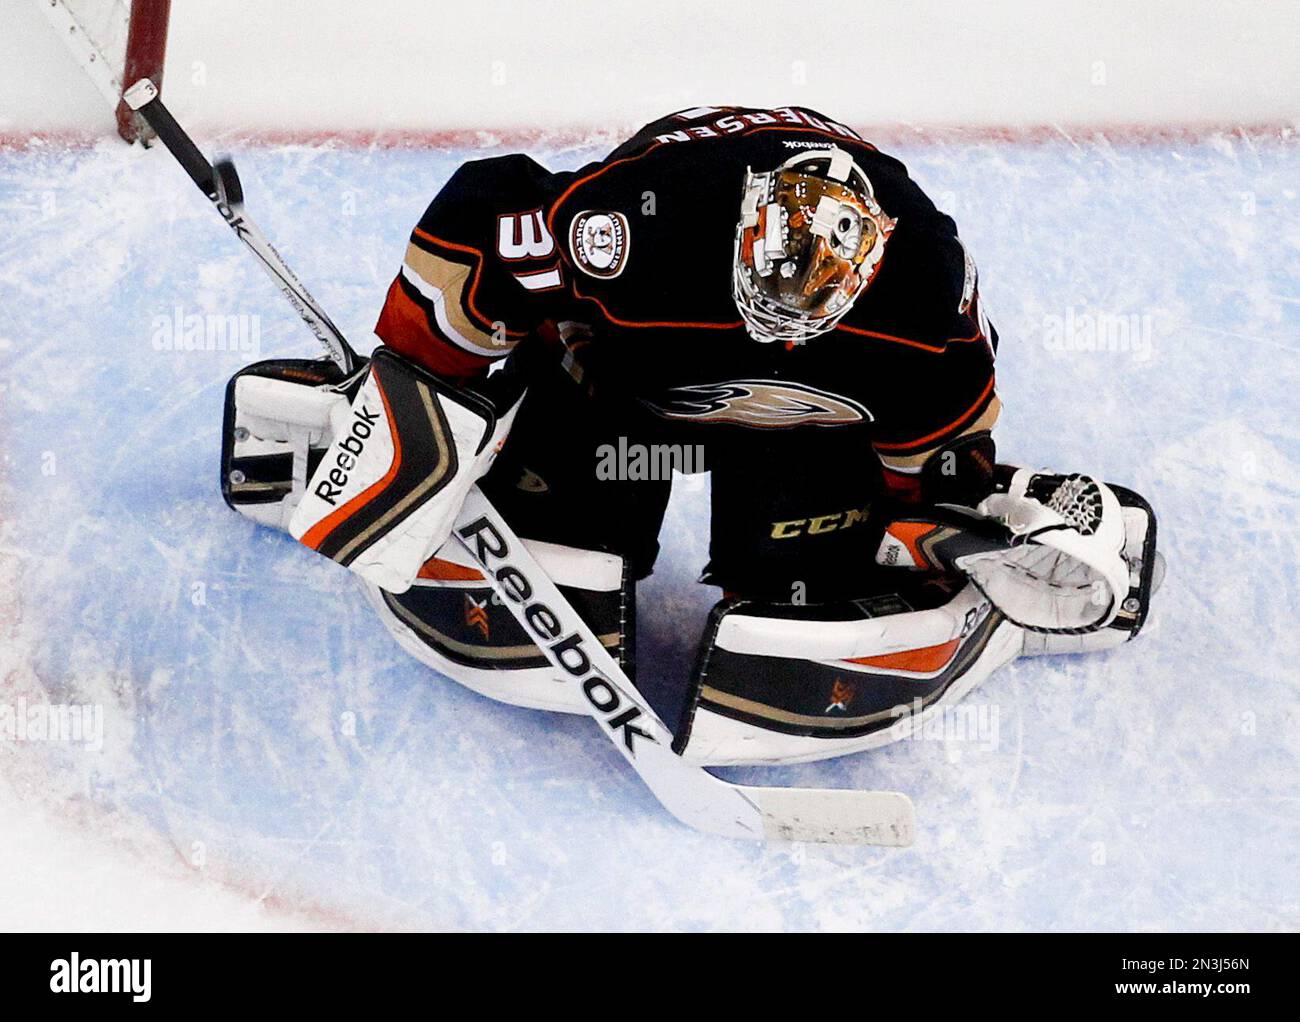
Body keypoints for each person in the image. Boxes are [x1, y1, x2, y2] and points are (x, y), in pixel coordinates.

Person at [221, 105, 1161, 764]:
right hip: (634, 381)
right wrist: (425, 388)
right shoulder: (637, 228)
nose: (774, 325)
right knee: (571, 521)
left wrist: (937, 519)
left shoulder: (923, 302)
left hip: (806, 425)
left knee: (803, 587)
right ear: (750, 222)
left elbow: (936, 449)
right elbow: (481, 223)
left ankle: (855, 545)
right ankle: (533, 466)